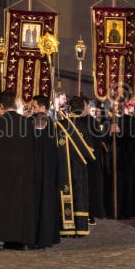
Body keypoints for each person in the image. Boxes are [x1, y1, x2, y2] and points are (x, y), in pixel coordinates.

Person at [0, 90, 38, 248]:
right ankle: (22, 238)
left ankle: (2, 237)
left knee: (4, 204)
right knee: (21, 204)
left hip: (3, 169)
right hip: (23, 170)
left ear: (2, 105)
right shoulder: (27, 123)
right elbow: (32, 149)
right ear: (15, 103)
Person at [56, 96, 96, 235]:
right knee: (80, 193)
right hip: (80, 165)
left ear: (70, 108)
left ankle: (66, 227)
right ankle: (80, 227)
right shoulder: (86, 125)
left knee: (66, 192)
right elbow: (90, 150)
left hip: (64, 166)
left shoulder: (60, 124)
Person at [31, 97, 61, 247]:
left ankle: (41, 235)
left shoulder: (41, 122)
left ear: (42, 107)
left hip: (42, 170)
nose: (33, 109)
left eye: (34, 107)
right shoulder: (50, 123)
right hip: (48, 170)